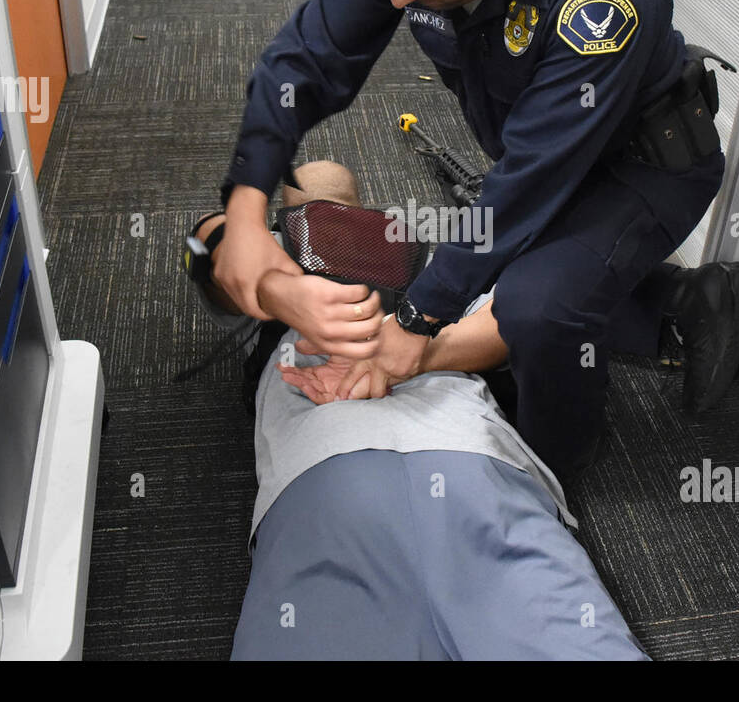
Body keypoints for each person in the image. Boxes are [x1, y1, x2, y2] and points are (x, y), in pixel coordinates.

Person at [210, 0, 739, 483]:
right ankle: (679, 302)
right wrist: (243, 207)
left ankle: (555, 465)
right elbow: (301, 63)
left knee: (533, 307)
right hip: (541, 150)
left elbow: (526, 182)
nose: (396, 6)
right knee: (496, 271)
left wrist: (416, 325)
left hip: (643, 169)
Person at [195, 161, 649, 660]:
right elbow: (202, 244)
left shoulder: (442, 282)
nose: (342, 235)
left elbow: (518, 323)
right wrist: (271, 284)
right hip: (352, 488)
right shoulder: (278, 286)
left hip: (456, 475)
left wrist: (414, 352)